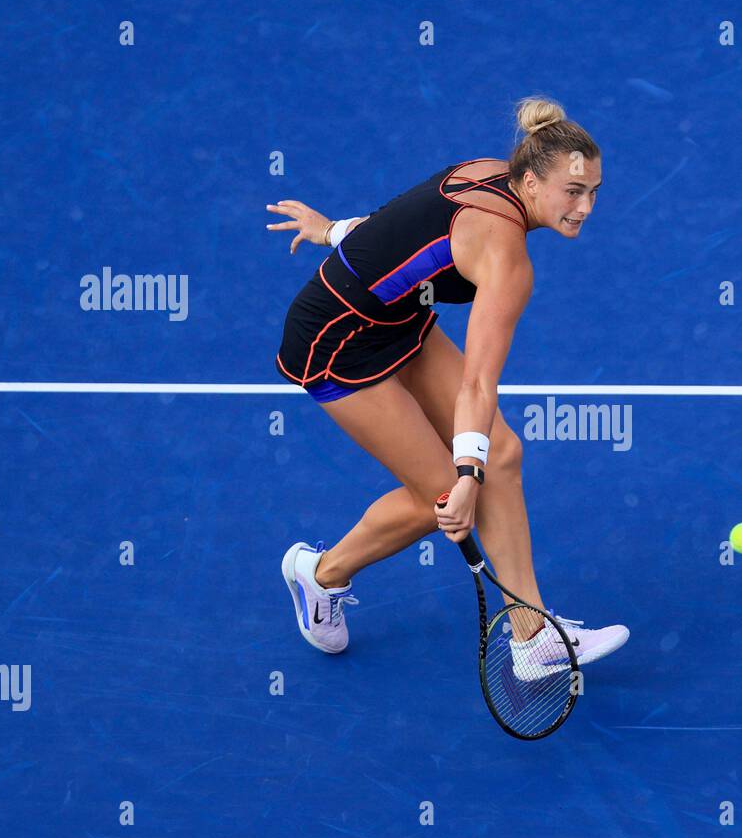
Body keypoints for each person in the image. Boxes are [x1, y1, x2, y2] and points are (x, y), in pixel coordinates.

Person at [266, 95, 630, 677]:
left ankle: (531, 636)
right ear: (531, 181)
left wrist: (332, 229)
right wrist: (465, 477)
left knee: (503, 453)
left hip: (400, 318)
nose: (586, 207)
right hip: (337, 342)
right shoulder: (507, 257)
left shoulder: (487, 172)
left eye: (594, 192)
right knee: (439, 494)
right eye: (572, 192)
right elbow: (480, 386)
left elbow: (398, 236)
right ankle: (320, 574)